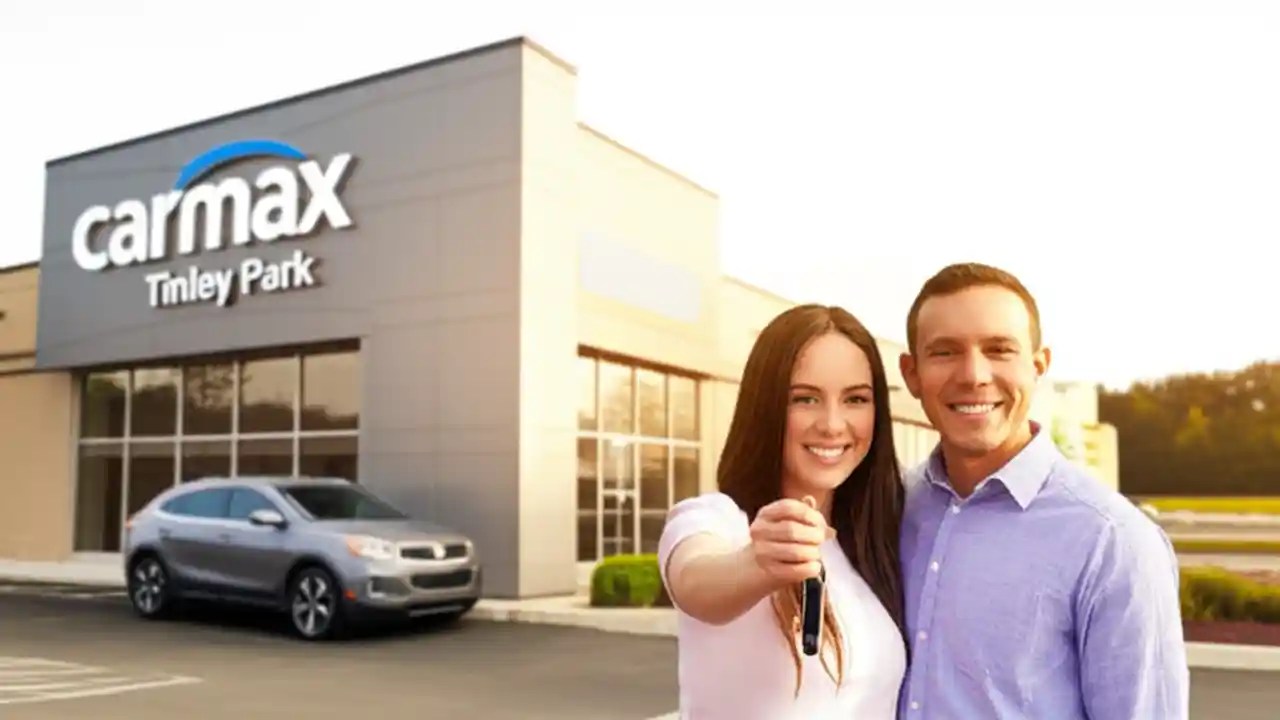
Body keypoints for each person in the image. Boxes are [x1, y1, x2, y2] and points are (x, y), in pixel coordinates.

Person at [895, 262, 1189, 719]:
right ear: (912, 374)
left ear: (1038, 366)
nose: (973, 375)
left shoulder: (1112, 541)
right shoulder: (894, 509)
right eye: (945, 352)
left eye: (998, 350)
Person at [657, 304, 909, 719]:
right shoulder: (715, 519)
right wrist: (759, 561)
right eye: (805, 398)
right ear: (766, 406)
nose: (832, 424)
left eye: (856, 399)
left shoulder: (873, 541)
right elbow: (695, 581)